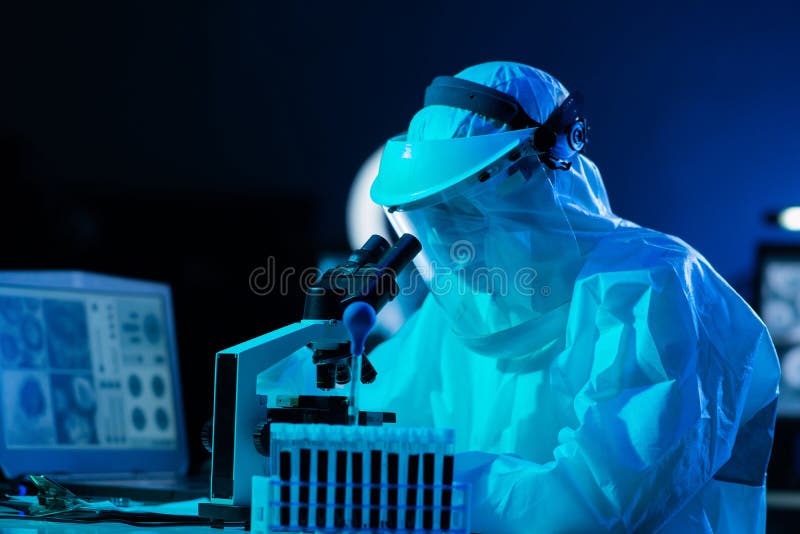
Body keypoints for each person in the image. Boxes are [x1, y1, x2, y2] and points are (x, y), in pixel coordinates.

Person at [261, 61, 780, 532]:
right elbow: (366, 426)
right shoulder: (464, 311)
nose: (456, 249)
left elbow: (588, 508)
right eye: (435, 220)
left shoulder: (653, 289)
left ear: (544, 173)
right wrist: (271, 405)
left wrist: (407, 483)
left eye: (470, 210)